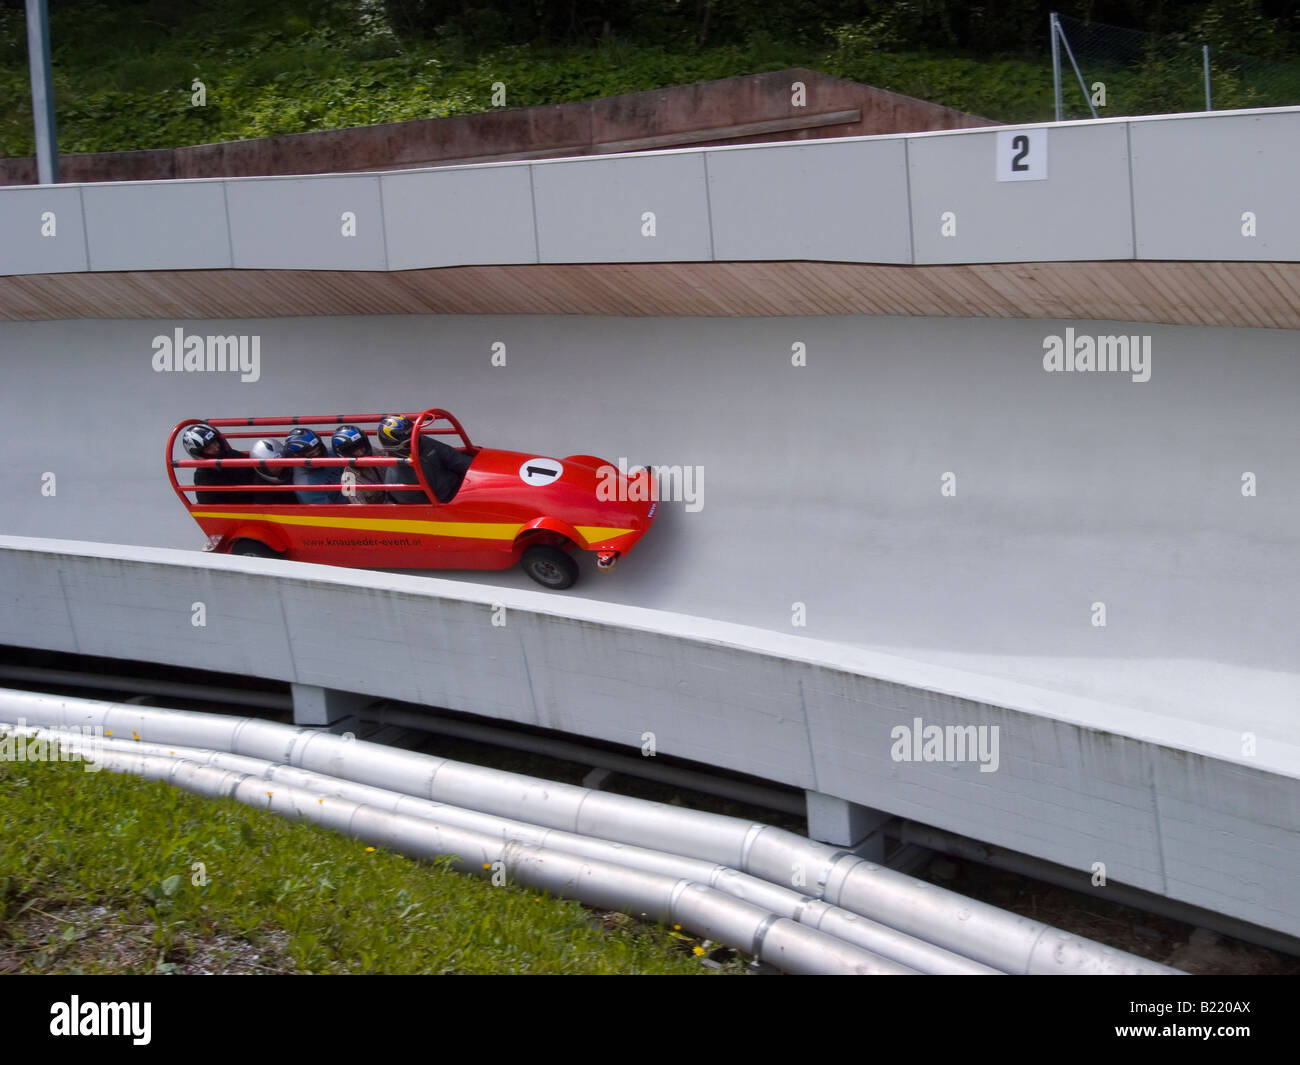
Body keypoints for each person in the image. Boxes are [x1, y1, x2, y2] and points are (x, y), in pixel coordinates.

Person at [377, 414, 471, 504]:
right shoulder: (397, 482)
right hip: (448, 504)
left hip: (464, 487)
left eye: (417, 437)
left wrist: (475, 473)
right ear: (395, 448)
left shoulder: (422, 442)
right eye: (409, 443)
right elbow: (427, 511)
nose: (417, 443)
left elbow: (455, 459)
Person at [181, 423, 256, 504]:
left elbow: (257, 471)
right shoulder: (202, 476)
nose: (216, 448)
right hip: (236, 512)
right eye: (208, 448)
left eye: (215, 442)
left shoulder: (232, 455)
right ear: (200, 453)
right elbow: (209, 506)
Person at [284, 428, 343, 504]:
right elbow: (331, 514)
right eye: (311, 454)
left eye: (318, 450)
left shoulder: (329, 453)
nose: (317, 454)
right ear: (299, 456)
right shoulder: (307, 488)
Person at [331, 424, 387, 504]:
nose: (361, 453)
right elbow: (361, 511)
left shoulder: (374, 452)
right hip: (381, 513)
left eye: (362, 447)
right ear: (345, 454)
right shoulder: (347, 480)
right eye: (355, 451)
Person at [248, 438, 300, 504]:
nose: (278, 467)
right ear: (262, 469)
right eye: (272, 465)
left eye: (280, 462)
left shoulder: (293, 468)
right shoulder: (261, 488)